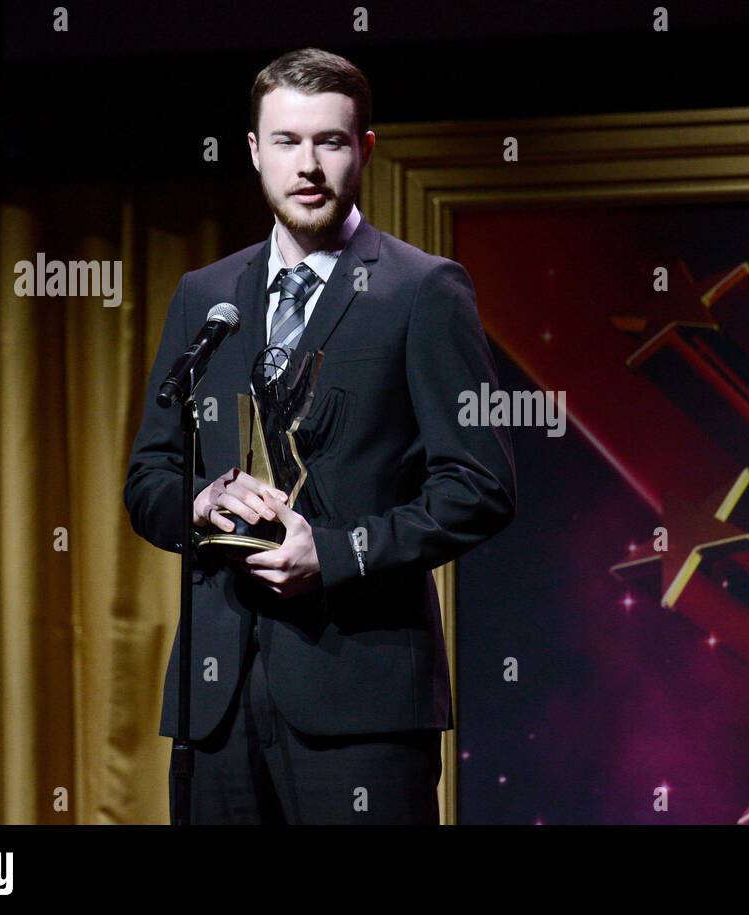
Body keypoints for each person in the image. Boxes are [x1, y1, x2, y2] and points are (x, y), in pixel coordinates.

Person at [123, 47, 516, 824]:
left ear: (364, 149)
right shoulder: (206, 295)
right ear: (253, 151)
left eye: (329, 142)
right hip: (216, 705)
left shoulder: (423, 290)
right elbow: (148, 480)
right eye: (287, 141)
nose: (308, 165)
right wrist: (200, 505)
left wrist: (333, 555)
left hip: (362, 707)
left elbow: (480, 486)